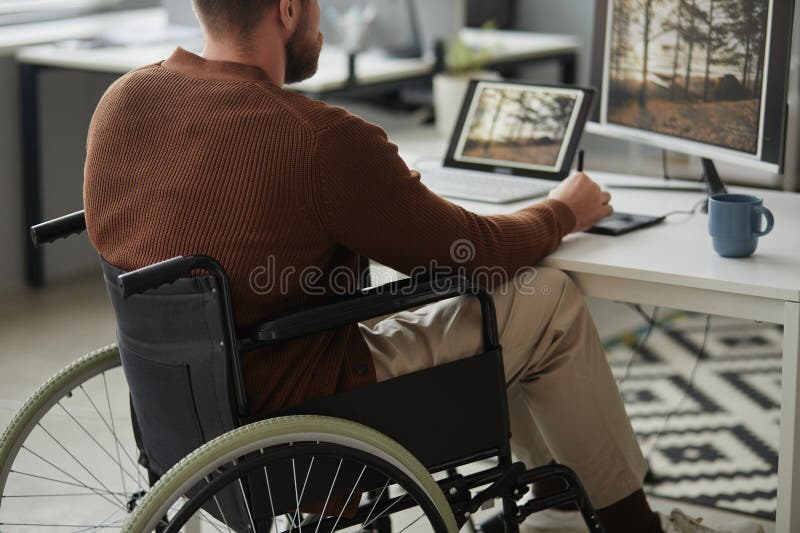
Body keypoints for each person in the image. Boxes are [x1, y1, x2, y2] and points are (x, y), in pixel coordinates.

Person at [82, 1, 764, 532]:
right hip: (307, 403)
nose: (323, 21)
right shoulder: (316, 137)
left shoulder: (122, 102)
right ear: (287, 9)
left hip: (188, 406)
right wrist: (564, 210)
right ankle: (632, 525)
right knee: (544, 297)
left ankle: (560, 507)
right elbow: (474, 251)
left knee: (495, 316)